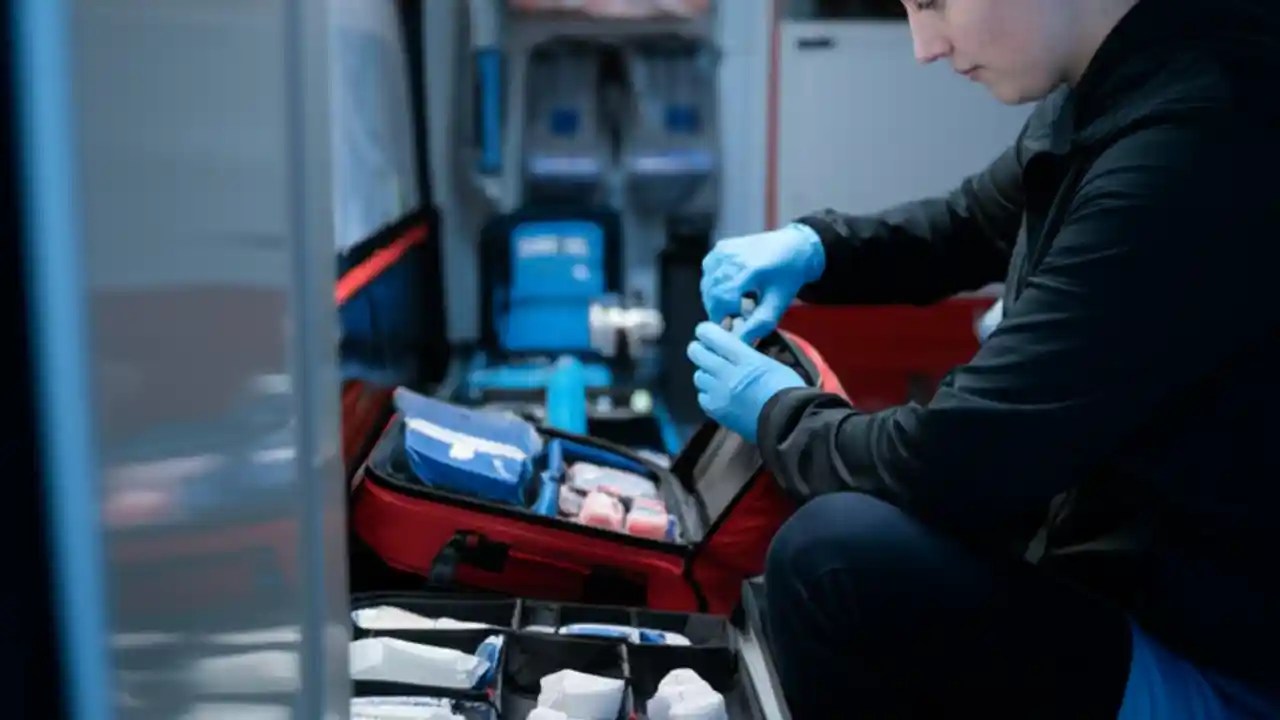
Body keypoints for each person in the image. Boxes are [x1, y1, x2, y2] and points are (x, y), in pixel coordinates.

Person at [687, 0, 1280, 717]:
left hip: (1209, 661)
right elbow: (971, 222)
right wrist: (818, 248)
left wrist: (778, 412)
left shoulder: (1192, 146)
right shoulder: (1120, 79)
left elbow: (950, 464)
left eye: (936, 3)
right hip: (1111, 568)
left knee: (834, 559)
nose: (924, 46)